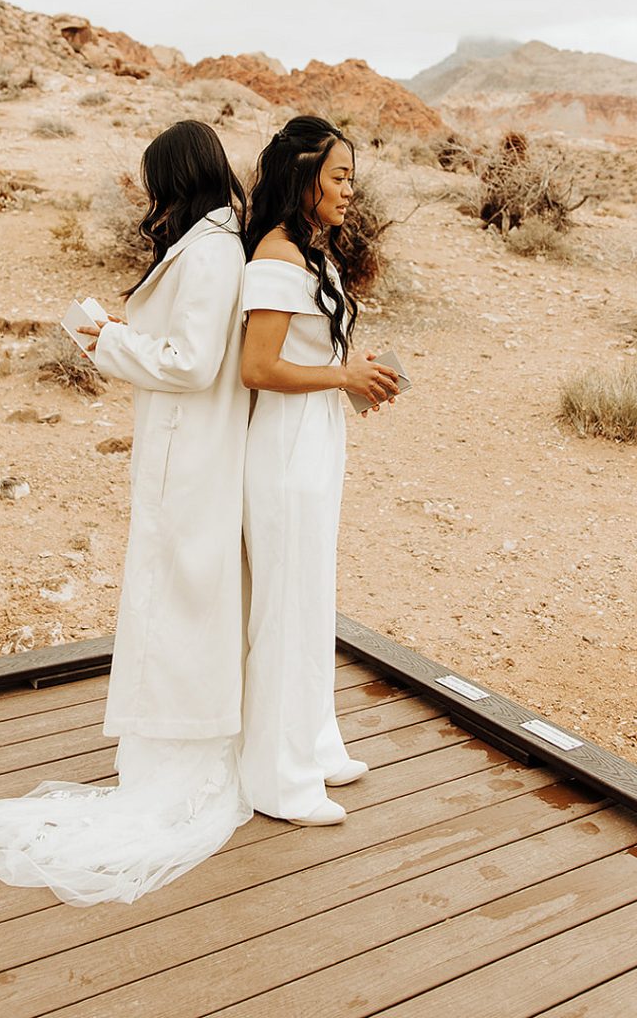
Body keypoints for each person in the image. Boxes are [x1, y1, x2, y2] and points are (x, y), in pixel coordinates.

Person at [0, 120, 252, 904]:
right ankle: (173, 744)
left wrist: (108, 338)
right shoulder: (210, 243)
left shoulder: (210, 251)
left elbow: (193, 363)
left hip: (191, 459)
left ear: (176, 174)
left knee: (177, 599)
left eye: (153, 180)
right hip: (183, 453)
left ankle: (183, 759)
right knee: (173, 599)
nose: (148, 196)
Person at [238, 115, 400, 826]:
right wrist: (341, 377)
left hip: (314, 441)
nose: (347, 193)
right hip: (283, 448)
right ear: (302, 177)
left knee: (310, 596)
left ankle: (313, 743)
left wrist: (355, 377)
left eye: (351, 181)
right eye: (338, 178)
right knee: (285, 604)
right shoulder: (276, 256)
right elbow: (258, 366)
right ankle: (279, 779)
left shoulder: (308, 253)